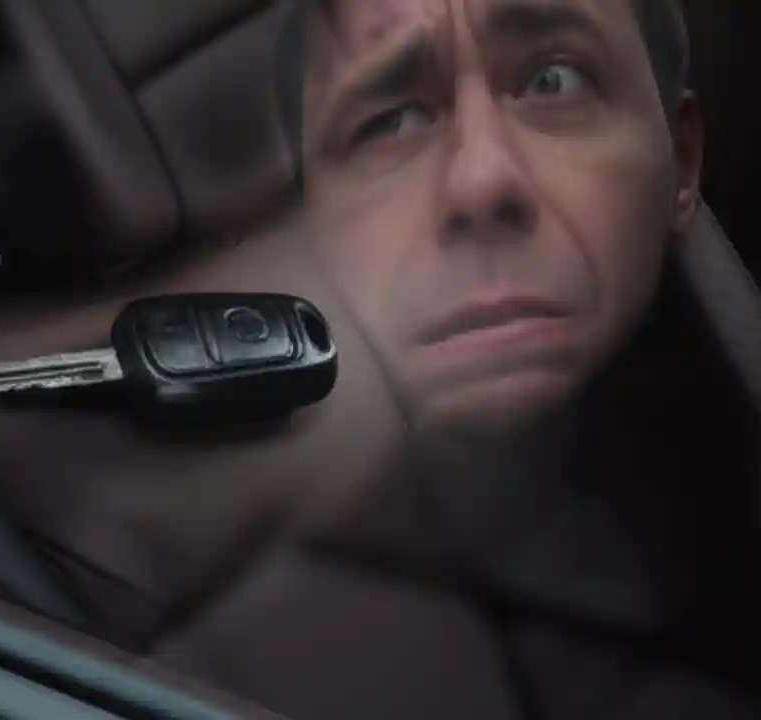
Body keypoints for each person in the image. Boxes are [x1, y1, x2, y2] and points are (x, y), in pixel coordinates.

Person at [173, 0, 761, 715]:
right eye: (389, 121)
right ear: (315, 235)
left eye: (553, 80)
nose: (479, 181)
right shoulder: (236, 672)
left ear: (682, 161)